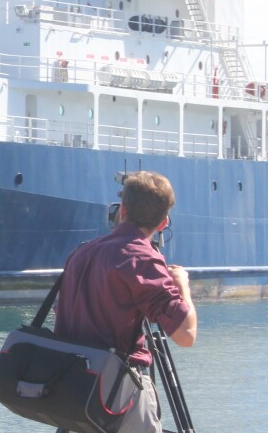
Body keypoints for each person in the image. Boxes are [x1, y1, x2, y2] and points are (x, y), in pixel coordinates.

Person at [54, 171, 197, 433]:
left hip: (72, 392)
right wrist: (182, 285)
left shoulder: (81, 252)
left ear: (122, 211)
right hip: (118, 395)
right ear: (163, 222)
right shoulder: (141, 259)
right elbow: (186, 335)